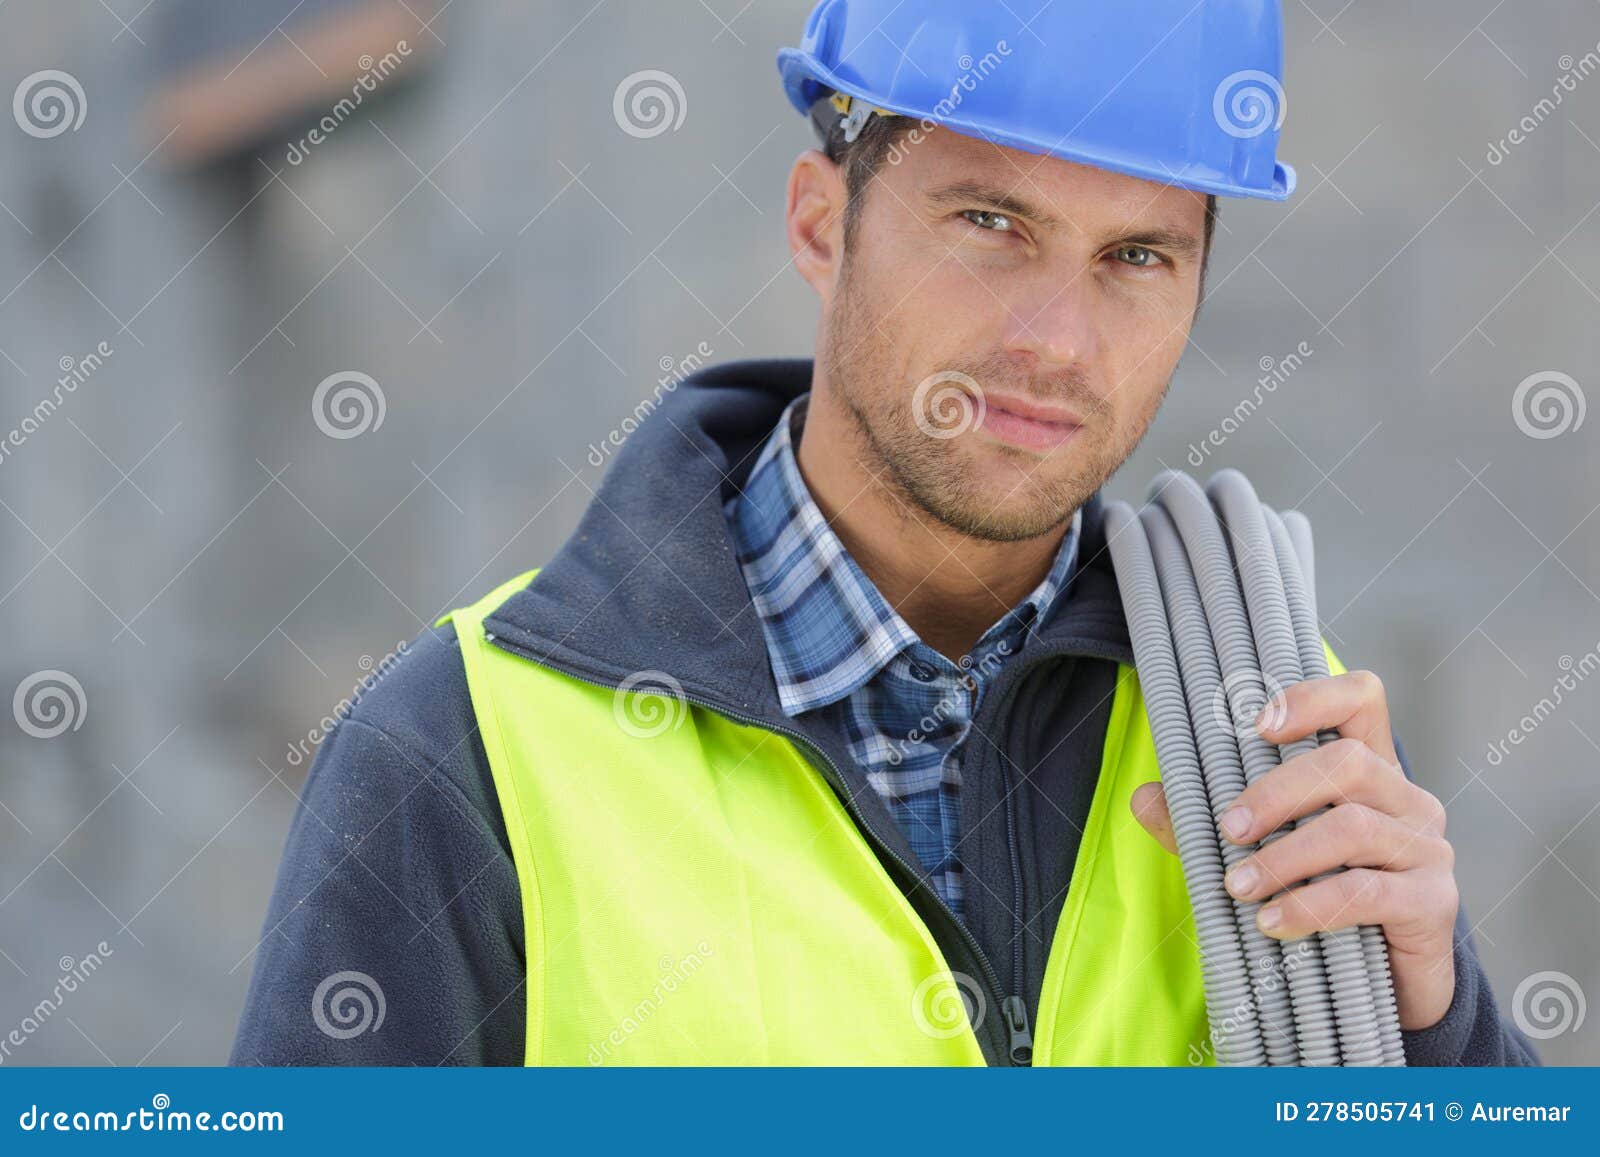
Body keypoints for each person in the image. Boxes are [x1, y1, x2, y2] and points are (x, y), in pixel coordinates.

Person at [232, 0, 1537, 1065]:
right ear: (822, 223)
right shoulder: (465, 756)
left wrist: (1442, 1029)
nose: (1057, 343)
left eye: (1136, 257)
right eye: (991, 223)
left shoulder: (1268, 730)